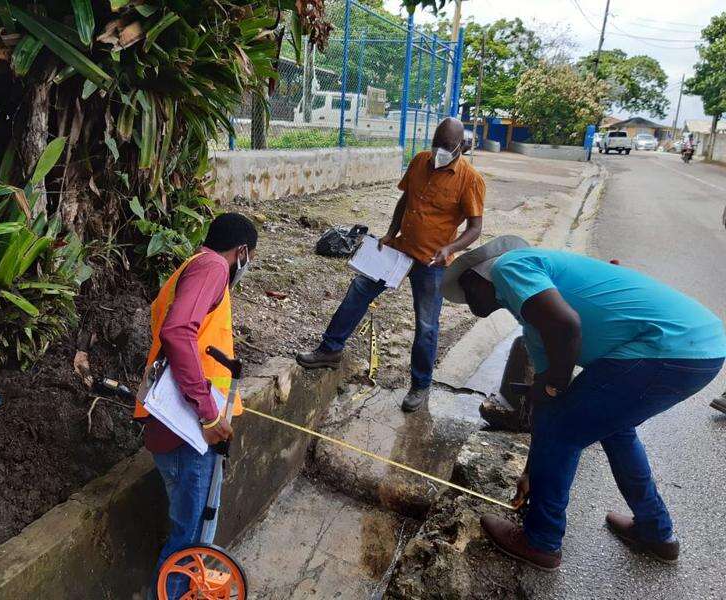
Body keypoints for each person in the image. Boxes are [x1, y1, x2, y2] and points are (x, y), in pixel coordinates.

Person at [441, 236, 726, 570]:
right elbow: (548, 401)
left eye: (467, 291)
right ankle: (655, 531)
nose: (468, 302)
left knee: (563, 430)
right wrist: (531, 471)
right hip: (703, 348)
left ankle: (541, 541)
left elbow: (566, 328)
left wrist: (554, 388)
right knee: (614, 429)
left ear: (479, 276)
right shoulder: (534, 322)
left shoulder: (509, 265)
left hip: (668, 346)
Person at [296, 117, 485, 412]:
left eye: (446, 147)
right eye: (436, 145)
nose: (439, 152)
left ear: (461, 145)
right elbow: (405, 200)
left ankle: (421, 385)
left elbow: (475, 228)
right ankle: (330, 350)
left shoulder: (470, 179)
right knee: (358, 291)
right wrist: (391, 232)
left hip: (432, 261)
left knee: (426, 325)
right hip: (399, 250)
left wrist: (450, 247)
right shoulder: (420, 161)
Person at [132, 213, 258, 599]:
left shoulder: (192, 266)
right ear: (242, 252)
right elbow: (177, 331)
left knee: (185, 531)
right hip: (189, 430)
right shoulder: (214, 267)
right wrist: (207, 410)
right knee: (190, 540)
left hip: (172, 425)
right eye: (249, 257)